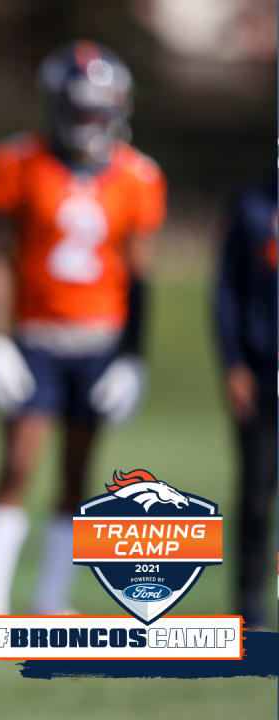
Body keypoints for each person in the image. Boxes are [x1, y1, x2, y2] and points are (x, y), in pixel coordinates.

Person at [0, 40, 166, 645]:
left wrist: (134, 357)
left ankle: (50, 601)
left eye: (99, 109)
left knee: (78, 474)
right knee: (18, 461)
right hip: (36, 337)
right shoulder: (17, 162)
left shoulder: (141, 176)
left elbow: (140, 273)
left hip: (99, 341)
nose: (88, 122)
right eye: (79, 108)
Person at [213, 173, 276, 630]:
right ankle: (248, 603)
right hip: (262, 372)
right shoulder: (252, 206)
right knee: (256, 493)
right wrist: (233, 363)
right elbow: (226, 290)